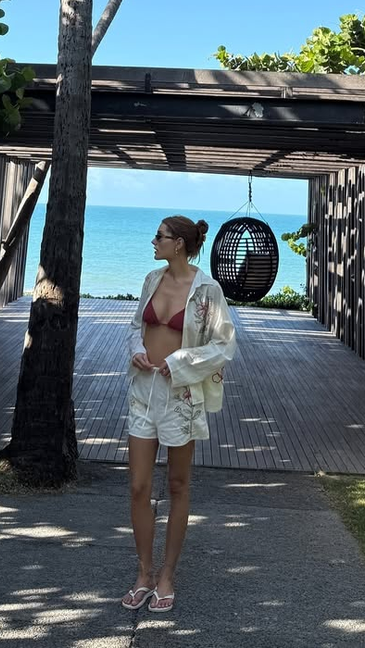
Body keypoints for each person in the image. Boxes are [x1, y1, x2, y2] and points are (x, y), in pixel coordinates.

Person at [122, 214, 236, 615]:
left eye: (161, 237)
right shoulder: (152, 280)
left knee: (177, 484)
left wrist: (182, 362)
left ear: (180, 245)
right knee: (138, 485)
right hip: (144, 393)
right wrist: (135, 350)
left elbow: (225, 345)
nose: (154, 242)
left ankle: (167, 575)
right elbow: (136, 326)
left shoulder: (207, 290)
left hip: (181, 397)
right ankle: (143, 573)